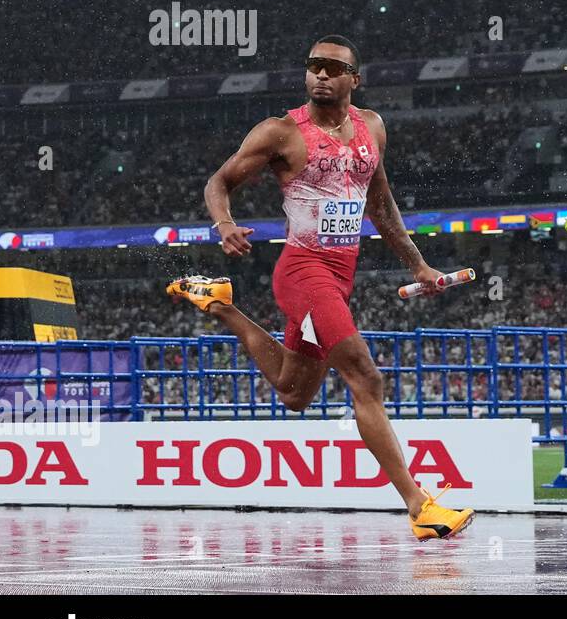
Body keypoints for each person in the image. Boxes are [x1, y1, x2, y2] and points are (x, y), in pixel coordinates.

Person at [166, 35, 473, 540]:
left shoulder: (372, 127)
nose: (322, 75)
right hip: (303, 269)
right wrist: (224, 224)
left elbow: (381, 204)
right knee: (365, 378)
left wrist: (417, 266)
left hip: (341, 274)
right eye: (314, 66)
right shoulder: (281, 133)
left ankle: (222, 307)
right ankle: (419, 506)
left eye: (334, 67)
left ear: (355, 78)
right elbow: (217, 183)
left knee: (293, 391)